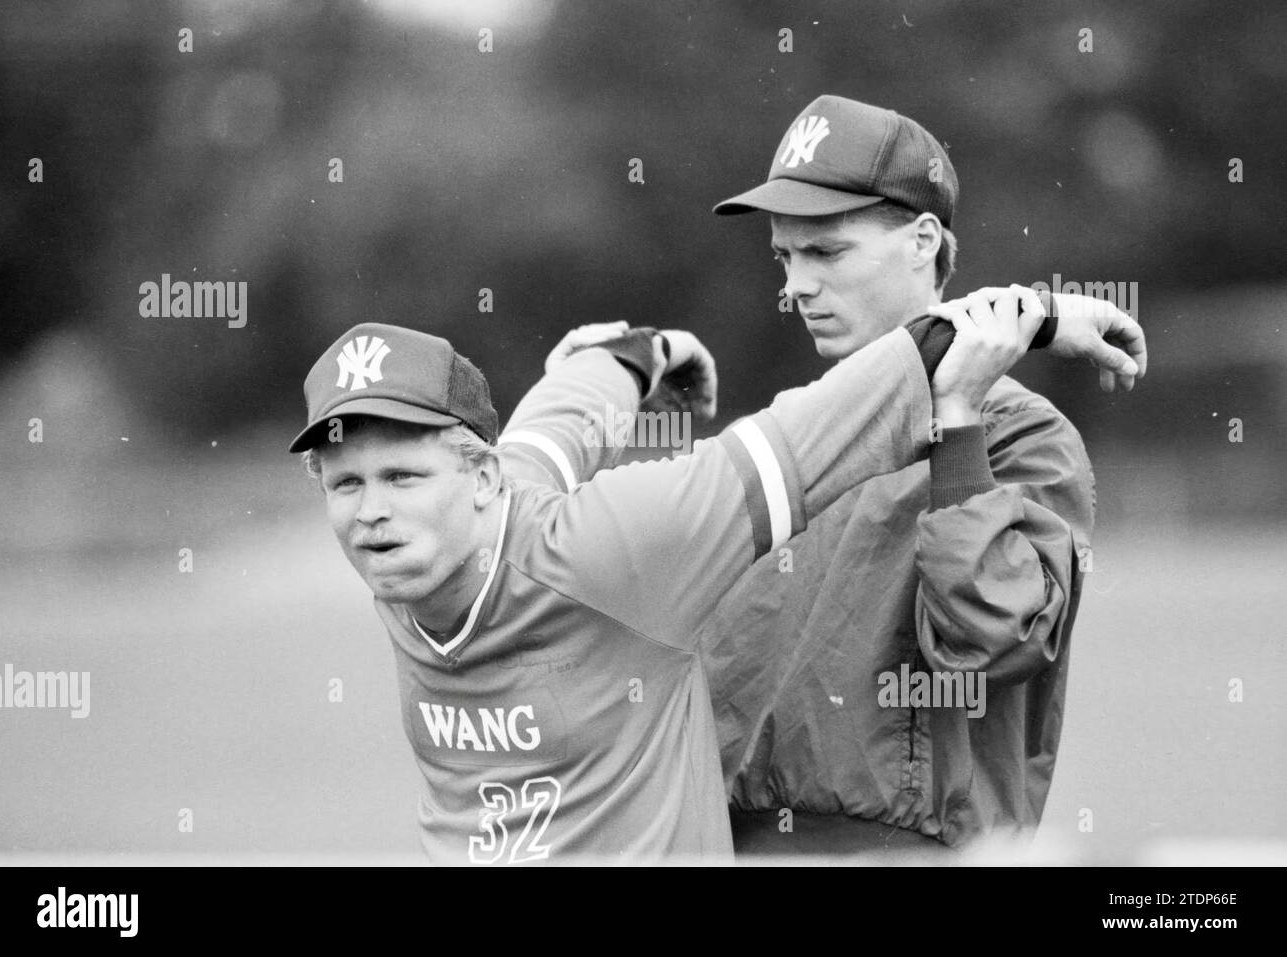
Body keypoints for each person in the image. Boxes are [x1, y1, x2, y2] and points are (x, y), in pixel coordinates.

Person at [289, 287, 1126, 862]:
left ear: (479, 478)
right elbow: (554, 425)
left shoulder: (618, 546)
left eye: (401, 477)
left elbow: (819, 431)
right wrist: (638, 354)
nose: (371, 513)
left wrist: (1034, 315)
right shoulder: (417, 552)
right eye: (345, 483)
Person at [544, 94, 1148, 855]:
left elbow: (993, 641)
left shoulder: (1021, 433)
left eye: (825, 253)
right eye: (784, 257)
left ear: (924, 241)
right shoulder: (782, 440)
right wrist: (577, 404)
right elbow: (593, 615)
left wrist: (957, 420)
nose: (796, 284)